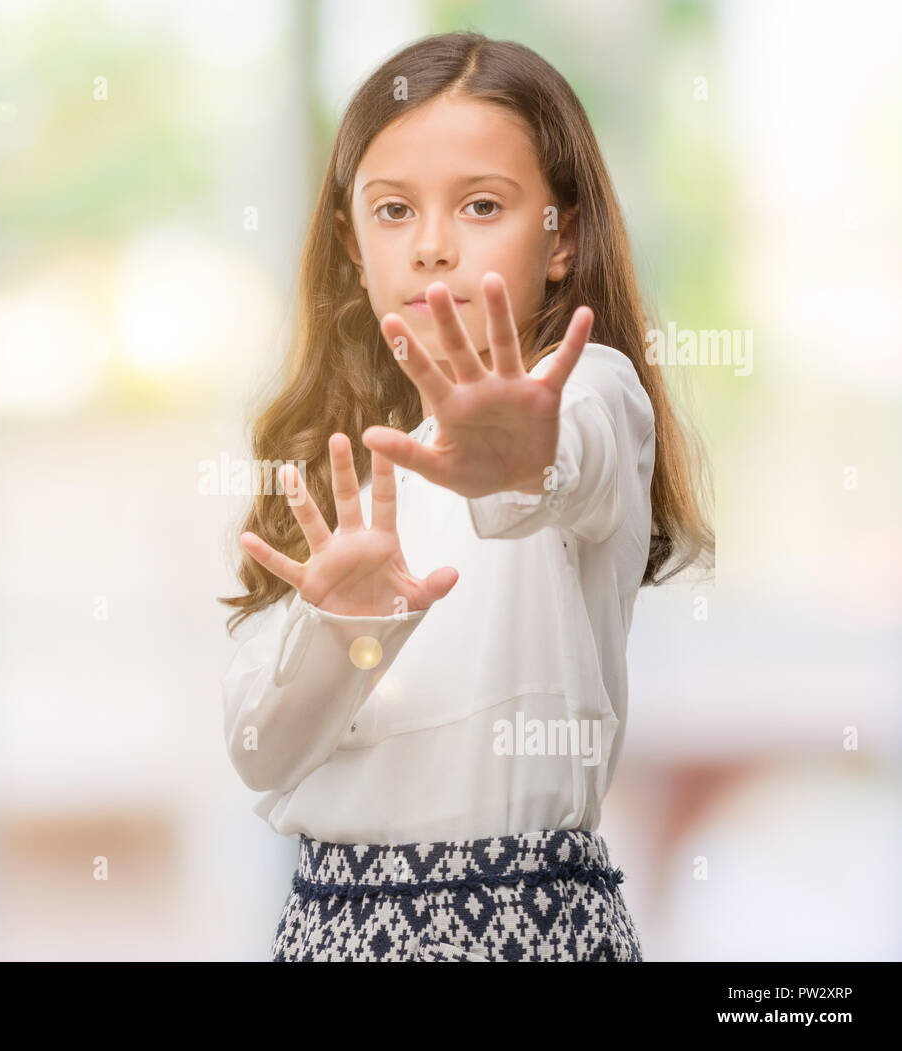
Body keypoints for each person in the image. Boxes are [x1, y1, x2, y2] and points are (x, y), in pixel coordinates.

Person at [218, 30, 714, 962]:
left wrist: (523, 459)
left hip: (537, 932)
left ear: (560, 236)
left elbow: (572, 458)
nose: (434, 246)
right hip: (331, 933)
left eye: (482, 205)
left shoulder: (592, 390)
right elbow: (259, 753)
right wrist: (347, 630)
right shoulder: (327, 467)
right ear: (351, 244)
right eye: (394, 210)